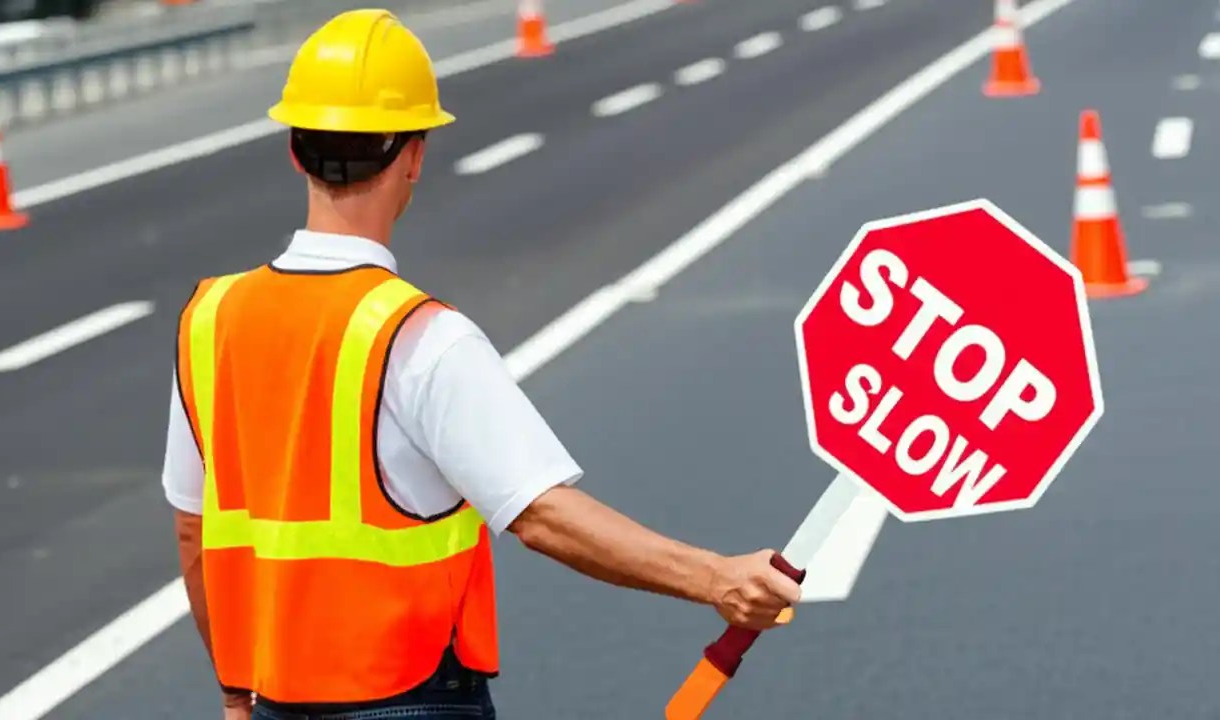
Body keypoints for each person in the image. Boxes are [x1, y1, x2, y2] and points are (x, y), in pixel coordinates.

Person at [161, 9, 804, 720]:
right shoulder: (419, 337)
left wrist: (234, 691)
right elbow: (541, 514)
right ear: (414, 154)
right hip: (409, 702)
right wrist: (717, 578)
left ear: (294, 150)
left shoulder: (210, 319)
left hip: (273, 699)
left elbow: (195, 530)